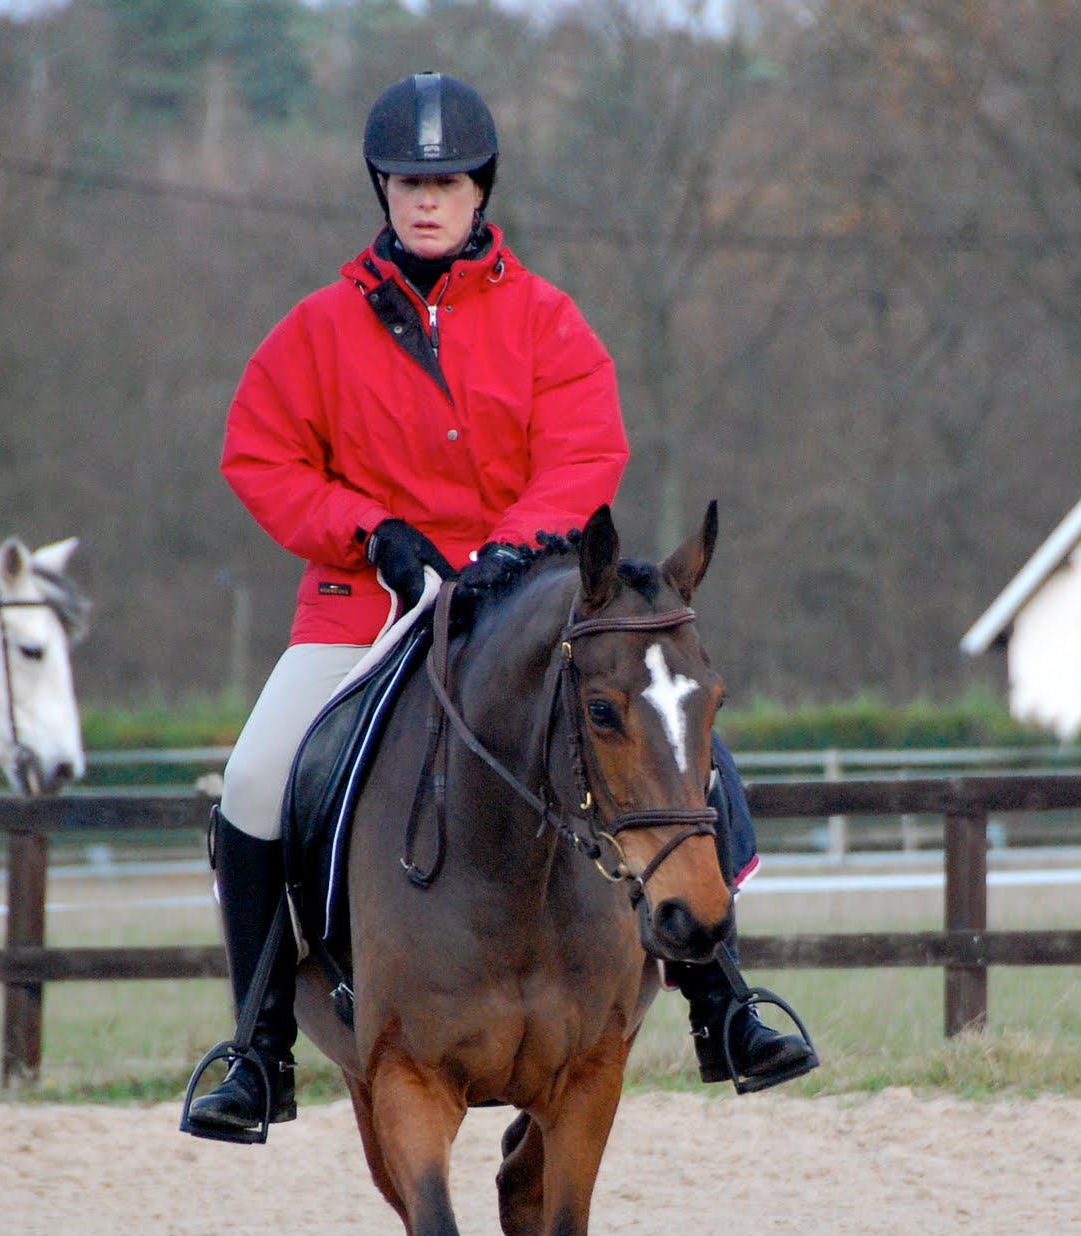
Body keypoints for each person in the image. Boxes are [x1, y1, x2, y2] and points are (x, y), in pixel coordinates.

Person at [185, 70, 816, 1142]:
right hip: (363, 610)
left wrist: (509, 546)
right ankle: (258, 1052)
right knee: (253, 781)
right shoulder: (317, 329)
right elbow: (258, 453)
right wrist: (371, 533)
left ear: (482, 191)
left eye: (448, 180)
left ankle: (725, 1007)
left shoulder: (546, 320)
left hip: (522, 600)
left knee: (675, 737)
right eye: (407, 181)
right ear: (381, 191)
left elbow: (587, 451)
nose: (427, 198)